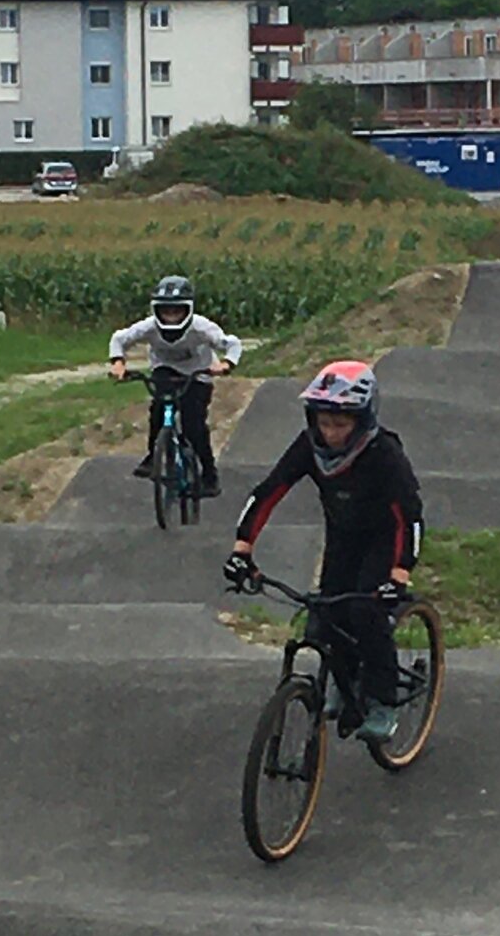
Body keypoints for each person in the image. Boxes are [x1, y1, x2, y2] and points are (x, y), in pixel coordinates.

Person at [223, 360, 422, 743]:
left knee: (365, 611)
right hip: (343, 536)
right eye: (324, 422)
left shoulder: (383, 453)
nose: (330, 433)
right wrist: (242, 549)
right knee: (327, 611)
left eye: (341, 424)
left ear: (363, 419)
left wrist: (399, 574)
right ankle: (344, 682)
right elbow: (268, 492)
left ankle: (384, 701)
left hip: (385, 540)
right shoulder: (309, 446)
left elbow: (409, 516)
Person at [108, 275, 242, 497]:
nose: (171, 317)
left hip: (199, 374)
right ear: (156, 310)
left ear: (188, 309)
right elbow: (119, 339)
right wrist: (118, 363)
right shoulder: (149, 326)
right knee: (157, 412)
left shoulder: (201, 327)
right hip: (165, 370)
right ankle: (153, 455)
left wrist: (226, 364)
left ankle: (210, 475)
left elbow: (232, 343)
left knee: (194, 426)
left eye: (177, 311)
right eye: (166, 311)